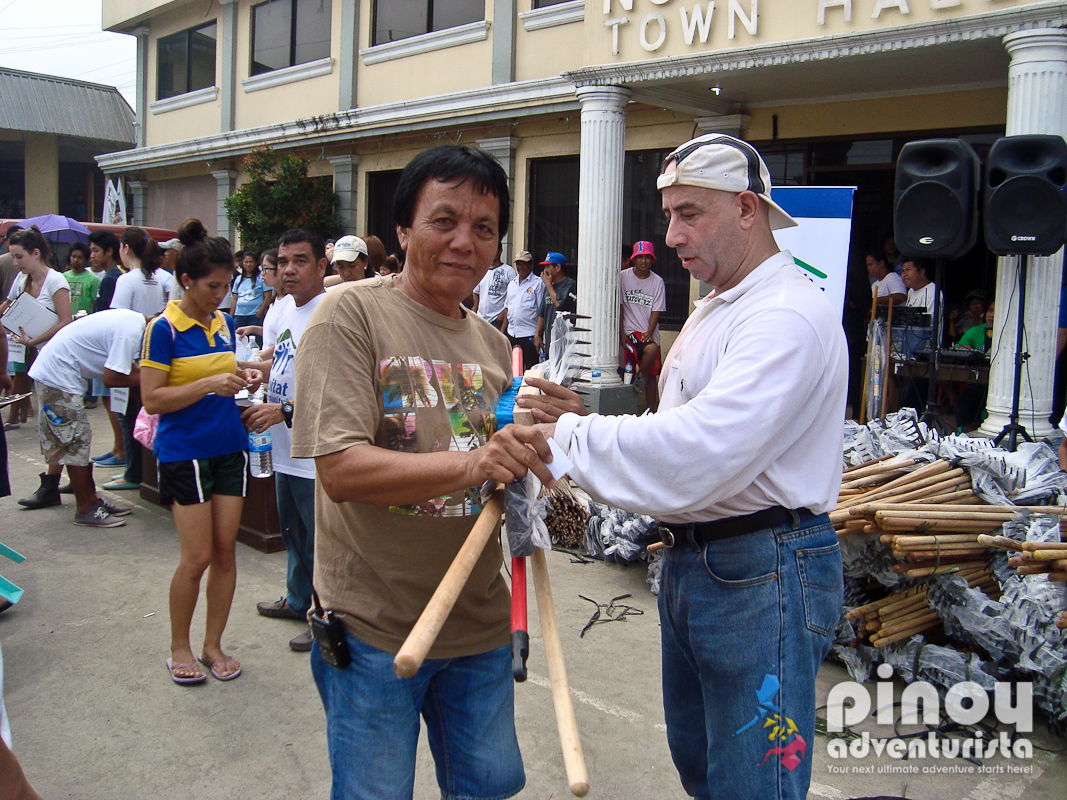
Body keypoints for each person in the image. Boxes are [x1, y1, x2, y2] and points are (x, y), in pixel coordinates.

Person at [523, 133, 847, 800]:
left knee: (754, 783)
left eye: (689, 213)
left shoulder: (784, 313)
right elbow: (677, 430)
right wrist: (582, 416)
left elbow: (702, 453)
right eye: (668, 213)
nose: (670, 235)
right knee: (704, 769)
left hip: (762, 571)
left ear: (748, 209)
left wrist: (571, 438)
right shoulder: (719, 306)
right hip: (702, 563)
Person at [291, 144, 559, 800]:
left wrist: (545, 444)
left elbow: (502, 459)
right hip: (376, 629)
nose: (464, 242)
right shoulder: (348, 315)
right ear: (404, 230)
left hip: (480, 626)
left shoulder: (497, 347)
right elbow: (340, 469)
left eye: (484, 228)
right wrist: (475, 462)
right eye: (444, 221)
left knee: (489, 786)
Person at [141, 218, 258, 685]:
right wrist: (209, 384)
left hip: (231, 446)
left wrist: (246, 372)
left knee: (226, 552)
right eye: (213, 285)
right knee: (196, 557)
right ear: (187, 280)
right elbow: (152, 399)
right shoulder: (162, 329)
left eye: (228, 285)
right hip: (184, 452)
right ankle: (179, 646)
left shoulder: (225, 323)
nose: (221, 294)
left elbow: (222, 369)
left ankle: (213, 645)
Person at [246, 229, 327, 653]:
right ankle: (297, 600)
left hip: (313, 452)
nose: (288, 270)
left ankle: (323, 617)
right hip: (280, 447)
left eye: (299, 261)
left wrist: (285, 410)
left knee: (321, 543)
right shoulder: (283, 310)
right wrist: (250, 371)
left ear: (321, 267)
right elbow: (278, 361)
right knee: (293, 532)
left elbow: (333, 385)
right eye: (282, 262)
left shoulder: (328, 312)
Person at [22, 309, 143, 526]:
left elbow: (129, 369)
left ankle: (92, 500)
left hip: (57, 374)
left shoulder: (133, 322)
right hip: (57, 378)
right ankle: (86, 508)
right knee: (74, 443)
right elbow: (112, 378)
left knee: (78, 440)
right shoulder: (132, 332)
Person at [1, 227, 73, 433]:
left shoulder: (56, 280)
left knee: (59, 412)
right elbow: (9, 303)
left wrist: (33, 341)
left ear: (35, 253)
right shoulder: (22, 280)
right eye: (13, 257)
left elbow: (65, 320)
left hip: (57, 356)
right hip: (37, 353)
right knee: (47, 412)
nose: (15, 263)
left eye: (19, 257)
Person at [86, 229, 127, 466]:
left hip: (109, 348)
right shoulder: (111, 276)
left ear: (109, 252)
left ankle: (121, 450)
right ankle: (116, 447)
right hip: (105, 345)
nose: (91, 256)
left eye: (95, 251)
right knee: (106, 397)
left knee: (111, 398)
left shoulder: (113, 278)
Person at [619, 240, 667, 411]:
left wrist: (649, 331)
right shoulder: (624, 277)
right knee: (627, 372)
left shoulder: (657, 282)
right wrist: (621, 332)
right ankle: (627, 409)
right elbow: (621, 306)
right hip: (631, 331)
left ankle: (652, 410)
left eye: (647, 257)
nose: (644, 261)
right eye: (640, 257)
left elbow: (657, 309)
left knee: (652, 373)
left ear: (652, 259)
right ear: (634, 259)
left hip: (649, 332)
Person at [500, 251, 545, 371]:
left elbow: (542, 312)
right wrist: (502, 332)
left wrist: (538, 335)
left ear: (531, 265)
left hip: (528, 334)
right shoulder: (512, 284)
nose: (520, 267)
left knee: (530, 370)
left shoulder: (538, 283)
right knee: (511, 370)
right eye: (518, 264)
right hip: (512, 333)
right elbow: (507, 309)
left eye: (524, 264)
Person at [955, 302, 995, 431]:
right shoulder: (976, 330)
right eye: (990, 310)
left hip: (1000, 385)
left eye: (997, 312)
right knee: (965, 403)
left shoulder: (1011, 332)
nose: (992, 315)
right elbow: (958, 348)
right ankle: (968, 435)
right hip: (979, 380)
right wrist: (964, 348)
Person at [536, 251, 577, 355]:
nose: (545, 271)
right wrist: (537, 334)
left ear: (558, 267)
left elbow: (559, 303)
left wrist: (549, 286)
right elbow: (542, 313)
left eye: (547, 267)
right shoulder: (548, 287)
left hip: (565, 340)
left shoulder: (569, 284)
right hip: (550, 339)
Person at [471, 246, 517, 328]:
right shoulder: (481, 269)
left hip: (497, 319)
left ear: (500, 251)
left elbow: (514, 296)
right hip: (481, 318)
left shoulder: (509, 271)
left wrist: (504, 312)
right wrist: (474, 310)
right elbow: (476, 292)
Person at [231, 249, 271, 331]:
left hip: (254, 315)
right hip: (239, 315)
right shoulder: (238, 279)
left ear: (256, 263)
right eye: (246, 262)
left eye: (251, 262)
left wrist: (260, 312)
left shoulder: (261, 278)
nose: (248, 264)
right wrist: (231, 315)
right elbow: (234, 299)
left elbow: (268, 297)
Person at [62, 243, 99, 318]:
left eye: (80, 257)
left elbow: (94, 302)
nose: (76, 260)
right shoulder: (63, 277)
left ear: (86, 260)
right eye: (73, 256)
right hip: (67, 319)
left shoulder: (93, 279)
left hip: (84, 319)